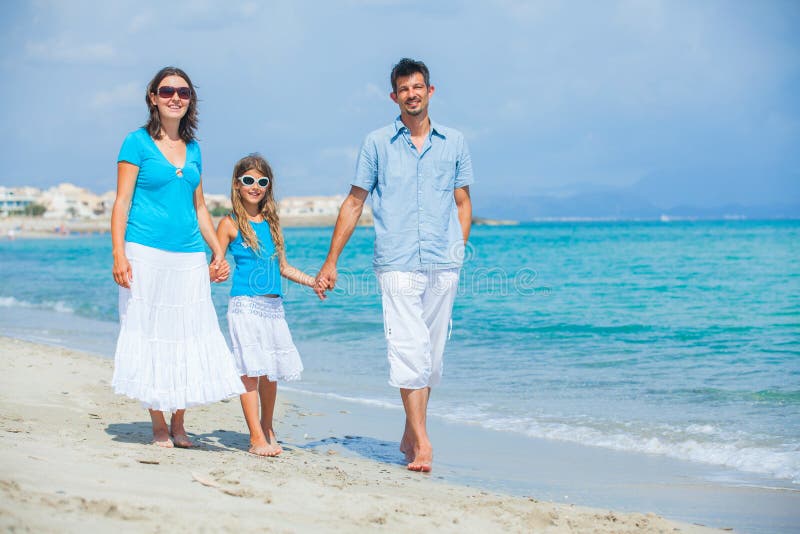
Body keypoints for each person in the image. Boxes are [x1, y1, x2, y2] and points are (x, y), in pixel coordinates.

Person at [315, 58, 473, 472]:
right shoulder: (377, 143)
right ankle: (422, 442)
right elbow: (354, 201)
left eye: (418, 87)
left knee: (431, 357)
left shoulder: (454, 142)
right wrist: (332, 260)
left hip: (443, 263)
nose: (412, 94)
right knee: (408, 349)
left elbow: (463, 202)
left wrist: (458, 251)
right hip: (397, 261)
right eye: (404, 89)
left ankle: (410, 428)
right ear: (394, 96)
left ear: (430, 91)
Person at [110, 66, 245, 448]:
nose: (175, 97)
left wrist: (218, 252)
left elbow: (200, 208)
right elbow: (121, 203)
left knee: (186, 333)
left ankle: (180, 422)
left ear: (191, 101)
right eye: (167, 90)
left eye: (183, 92)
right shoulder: (135, 143)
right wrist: (119, 253)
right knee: (151, 332)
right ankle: (157, 424)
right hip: (144, 251)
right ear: (153, 97)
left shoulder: (196, 149)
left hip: (188, 256)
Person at [216, 154, 315, 456]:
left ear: (268, 186)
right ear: (237, 184)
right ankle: (255, 436)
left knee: (270, 372)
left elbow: (283, 267)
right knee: (250, 373)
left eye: (262, 181)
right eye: (248, 180)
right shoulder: (229, 223)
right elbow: (215, 264)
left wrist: (314, 282)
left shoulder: (272, 224)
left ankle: (268, 426)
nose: (255, 186)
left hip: (273, 308)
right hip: (245, 306)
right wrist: (216, 270)